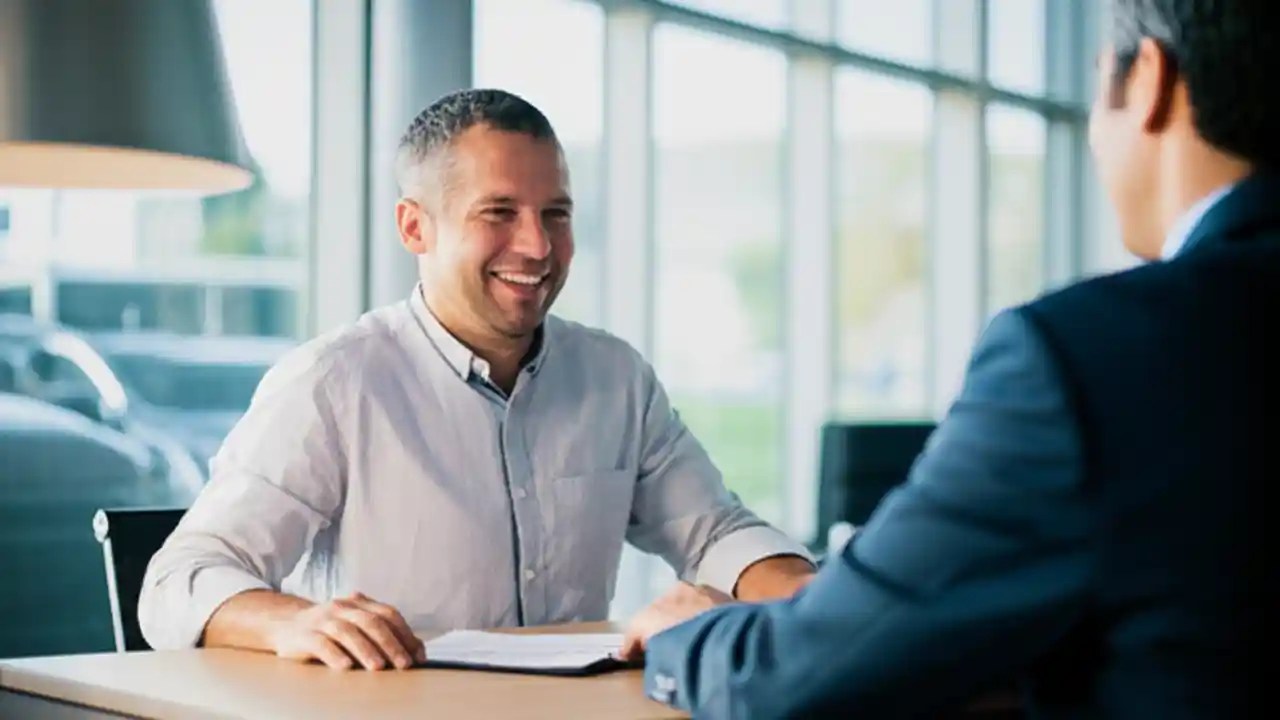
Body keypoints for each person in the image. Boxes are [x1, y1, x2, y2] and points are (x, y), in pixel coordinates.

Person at [623, 0, 1276, 716]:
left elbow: (802, 678)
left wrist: (698, 634)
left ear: (1148, 78)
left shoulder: (1093, 356)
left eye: (1097, 82)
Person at [138, 89, 814, 670]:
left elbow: (716, 534)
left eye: (556, 214)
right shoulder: (334, 384)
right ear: (415, 227)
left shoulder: (616, 378)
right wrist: (293, 623)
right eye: (499, 214)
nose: (538, 246)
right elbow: (177, 583)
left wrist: (826, 608)